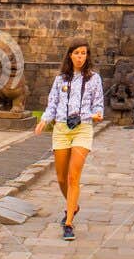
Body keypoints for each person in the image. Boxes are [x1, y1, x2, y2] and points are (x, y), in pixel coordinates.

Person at [34, 41, 104, 241]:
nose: (80, 56)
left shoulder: (94, 79)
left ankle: (68, 222)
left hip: (82, 128)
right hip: (62, 129)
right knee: (61, 178)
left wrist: (96, 114)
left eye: (84, 53)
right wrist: (44, 120)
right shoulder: (60, 80)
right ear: (70, 56)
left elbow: (98, 104)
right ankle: (74, 205)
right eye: (77, 53)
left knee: (74, 177)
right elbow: (52, 104)